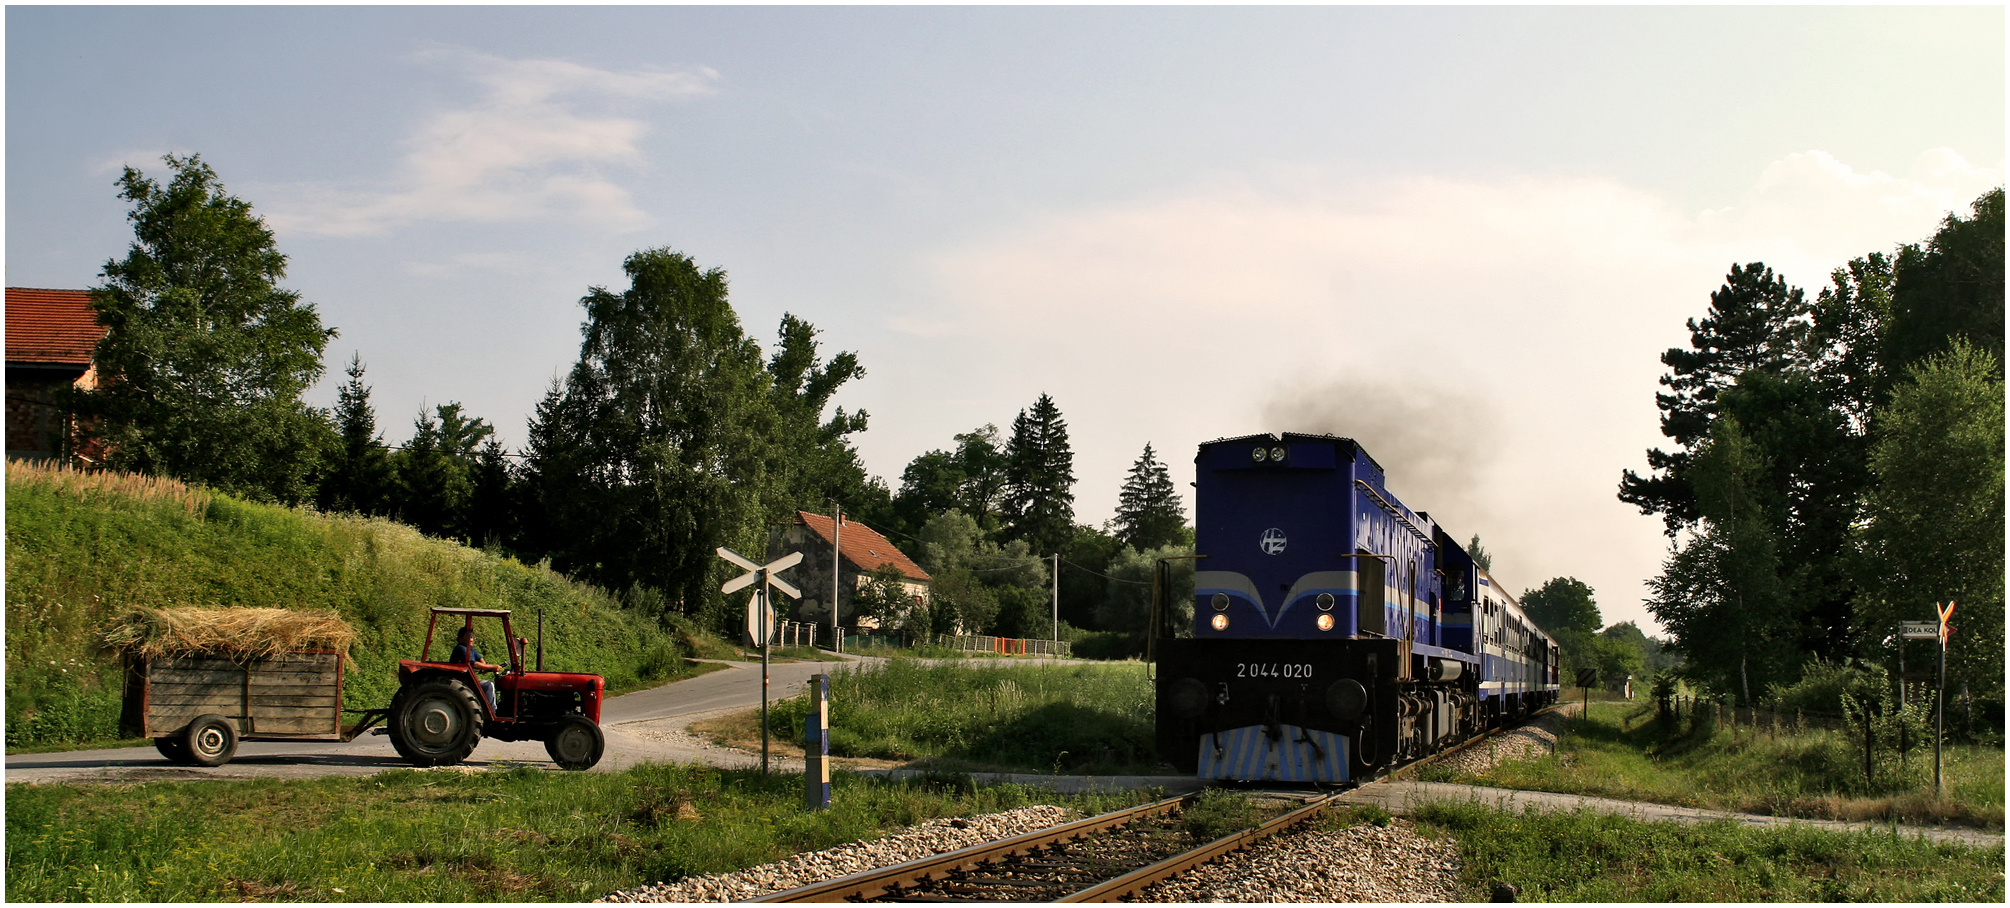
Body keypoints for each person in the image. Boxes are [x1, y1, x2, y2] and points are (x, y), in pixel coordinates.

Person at [450, 625, 503, 711]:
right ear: (460, 638)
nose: (471, 639)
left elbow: (481, 660)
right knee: (488, 685)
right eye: (468, 637)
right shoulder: (461, 648)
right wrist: (493, 667)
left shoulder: (470, 648)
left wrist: (485, 667)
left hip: (468, 679)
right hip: (462, 680)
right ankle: (492, 712)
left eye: (472, 637)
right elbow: (474, 664)